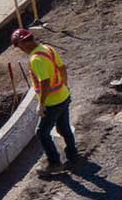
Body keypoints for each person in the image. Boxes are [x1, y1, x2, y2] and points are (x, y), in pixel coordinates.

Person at [12, 28, 79, 173]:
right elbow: (62, 68)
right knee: (64, 128)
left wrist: (41, 104)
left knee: (41, 133)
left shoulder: (36, 59)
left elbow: (45, 82)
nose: (20, 49)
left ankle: (54, 163)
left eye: (18, 45)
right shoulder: (47, 48)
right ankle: (73, 155)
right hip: (63, 96)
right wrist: (65, 86)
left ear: (23, 43)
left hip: (52, 102)